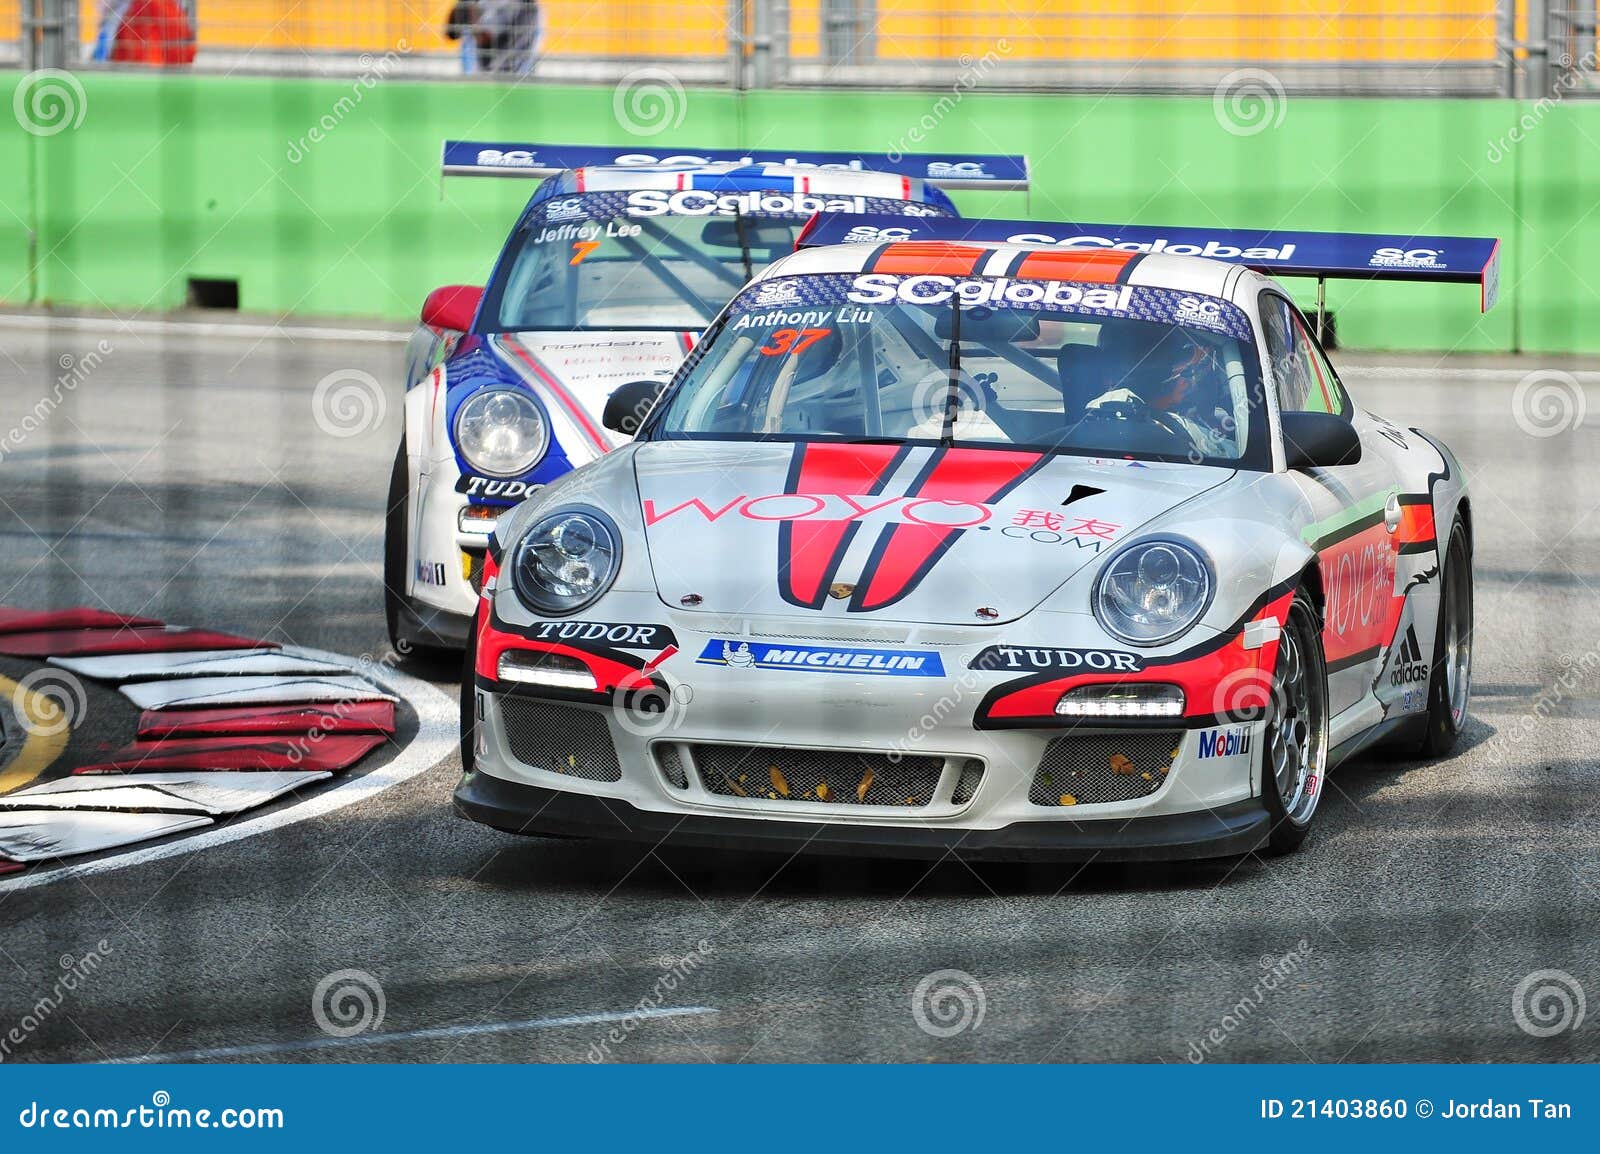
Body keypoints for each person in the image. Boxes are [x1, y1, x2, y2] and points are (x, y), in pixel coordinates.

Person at [445, 1, 541, 75]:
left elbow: (485, 39)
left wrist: (473, 14)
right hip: (483, 75)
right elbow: (451, 33)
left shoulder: (518, 6)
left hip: (506, 75)